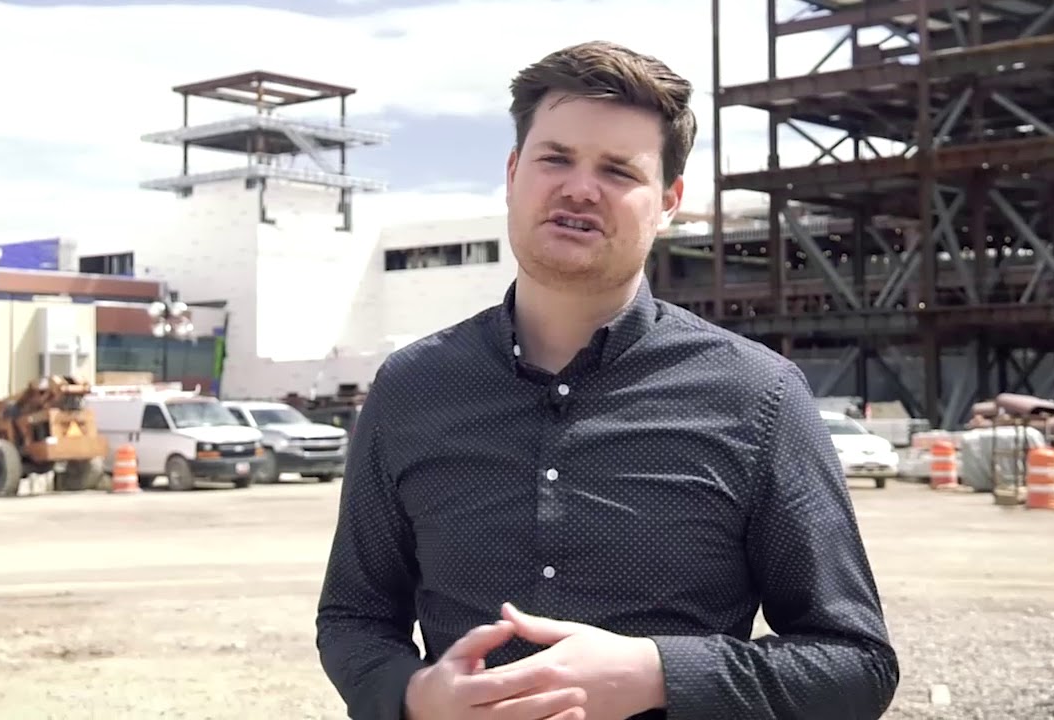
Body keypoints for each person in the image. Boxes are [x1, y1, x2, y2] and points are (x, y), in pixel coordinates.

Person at [315, 40, 900, 720]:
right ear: (513, 172)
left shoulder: (759, 397)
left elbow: (856, 665)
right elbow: (353, 616)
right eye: (555, 158)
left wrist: (657, 672)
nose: (580, 188)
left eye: (618, 170)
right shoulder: (412, 387)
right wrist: (416, 696)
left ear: (669, 201)